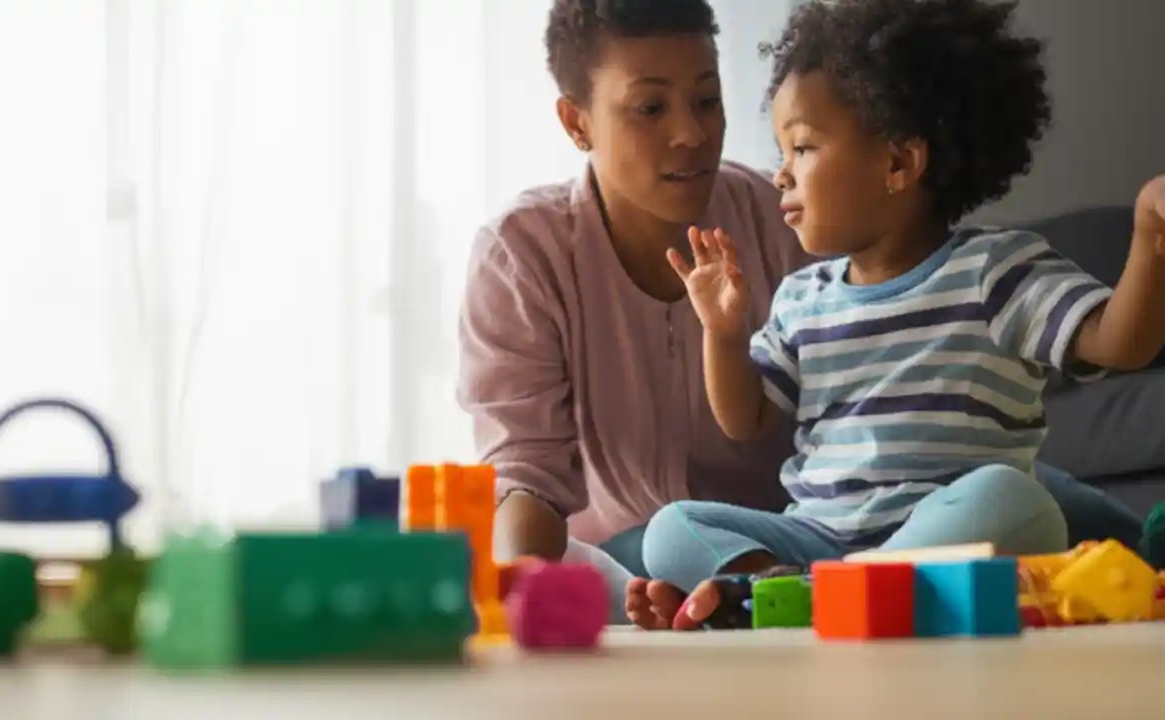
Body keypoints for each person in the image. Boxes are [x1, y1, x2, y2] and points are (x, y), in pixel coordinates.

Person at [456, 0, 1143, 622]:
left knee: (1030, 497)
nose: (693, 135)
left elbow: (1091, 333)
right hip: (764, 533)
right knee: (664, 538)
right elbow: (529, 475)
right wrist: (523, 596)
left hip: (906, 499)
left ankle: (824, 594)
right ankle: (819, 589)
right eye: (650, 108)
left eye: (708, 100)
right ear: (577, 121)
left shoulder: (803, 221)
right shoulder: (524, 254)